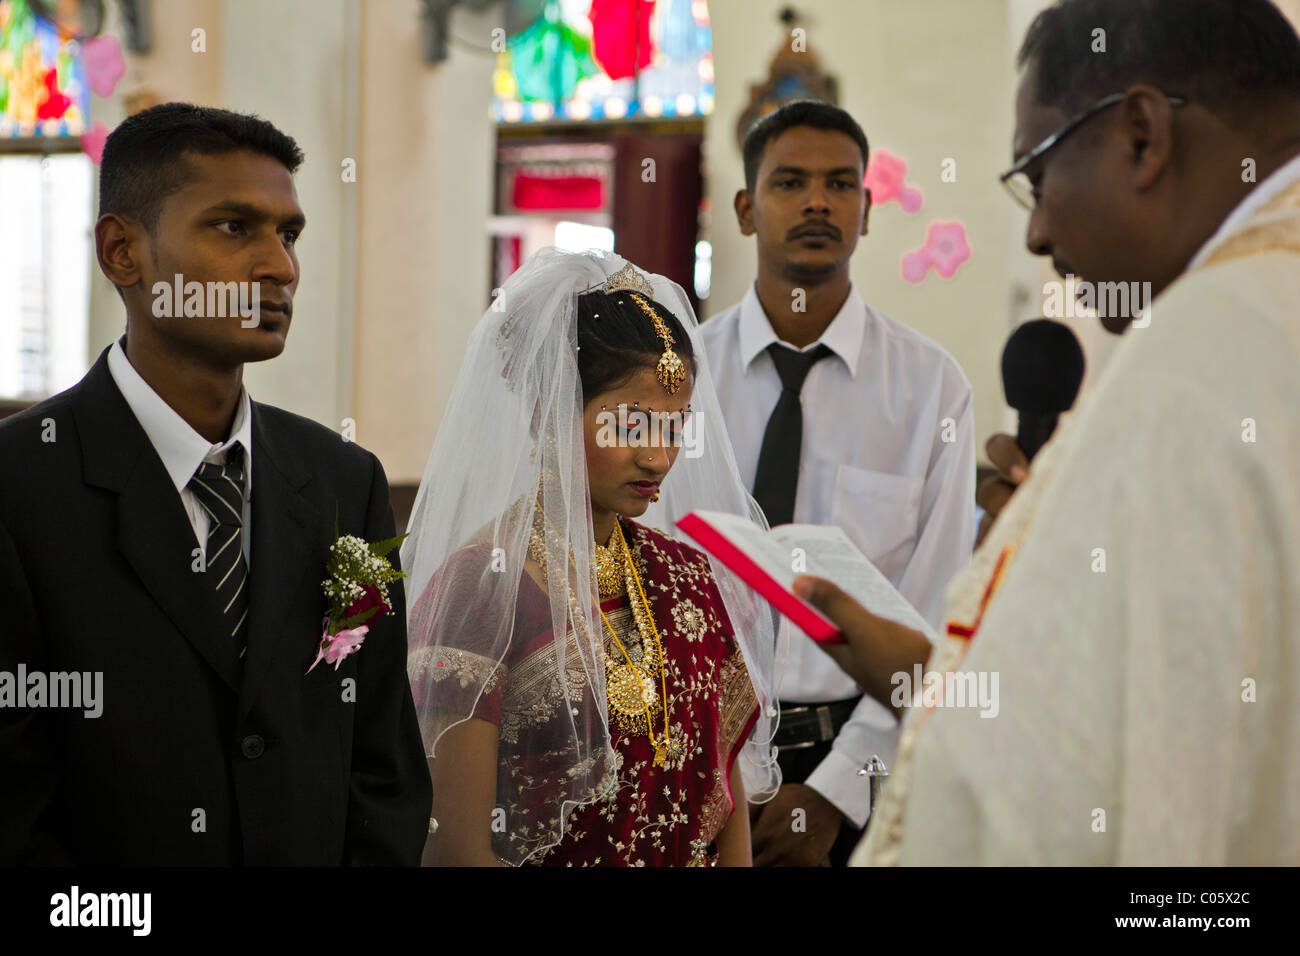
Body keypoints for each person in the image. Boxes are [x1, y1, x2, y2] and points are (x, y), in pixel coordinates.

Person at [800, 0, 1300, 865]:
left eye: (1036, 176)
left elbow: (1148, 823)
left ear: (1142, 135)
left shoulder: (1197, 361)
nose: (1035, 233)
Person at [0, 103, 431, 864]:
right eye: (234, 227)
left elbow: (381, 762)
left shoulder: (341, 484)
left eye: (289, 234)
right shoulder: (22, 485)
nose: (280, 266)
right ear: (123, 251)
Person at [403, 248, 780, 866]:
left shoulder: (686, 578)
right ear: (548, 412)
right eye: (631, 426)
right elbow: (456, 848)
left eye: (674, 428)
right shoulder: (482, 589)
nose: (658, 458)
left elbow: (725, 797)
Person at [700, 99, 975, 865]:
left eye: (840, 184)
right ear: (747, 210)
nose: (818, 201)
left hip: (854, 765)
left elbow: (934, 615)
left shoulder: (929, 391)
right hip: (690, 753)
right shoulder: (683, 376)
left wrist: (834, 793)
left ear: (866, 208)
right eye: (790, 182)